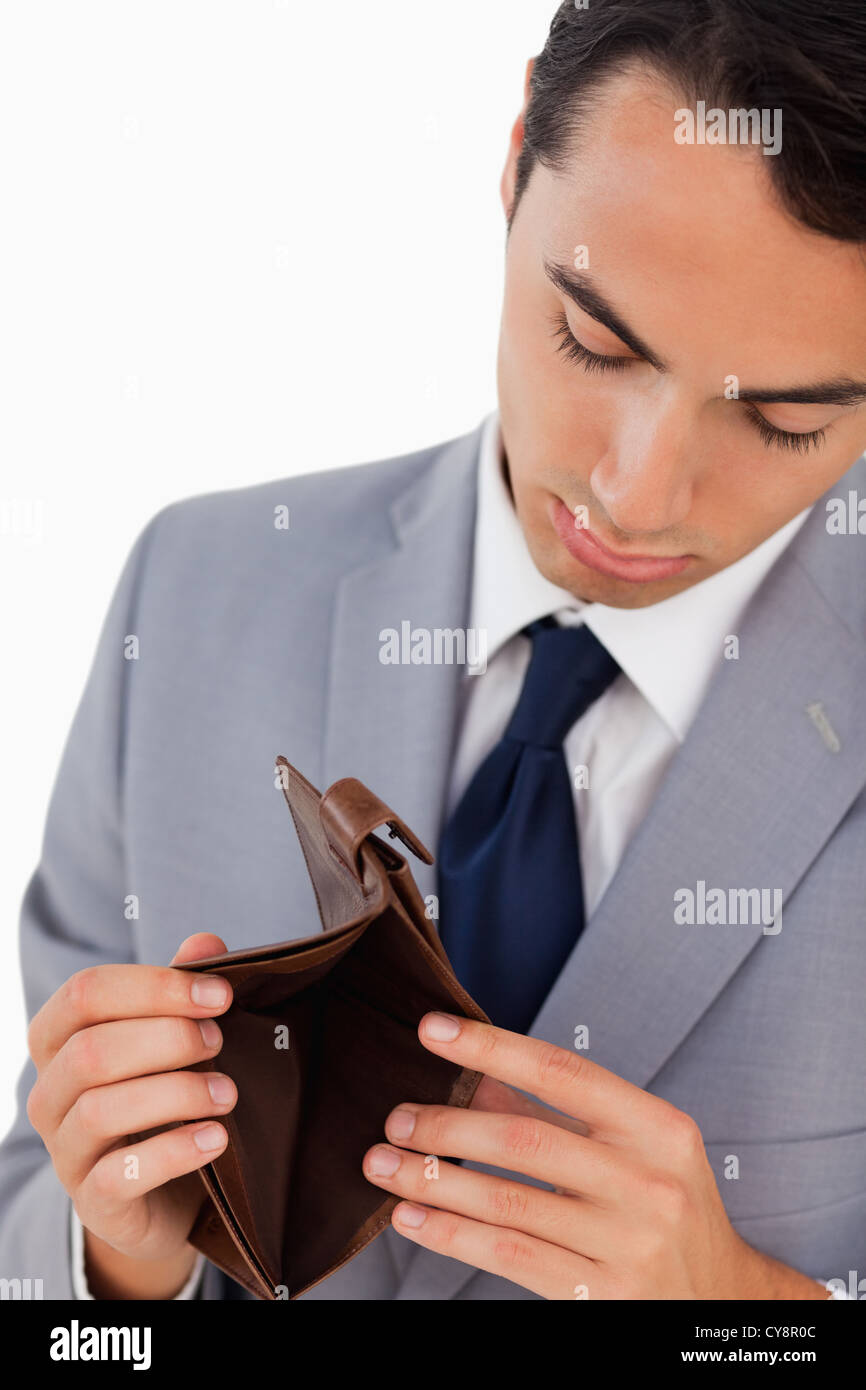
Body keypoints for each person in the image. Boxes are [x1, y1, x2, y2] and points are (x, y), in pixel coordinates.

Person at [2, 0, 864, 1300]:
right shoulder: (192, 588)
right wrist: (119, 1251)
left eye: (787, 419)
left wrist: (743, 1308)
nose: (636, 494)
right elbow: (36, 1204)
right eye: (596, 340)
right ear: (515, 152)